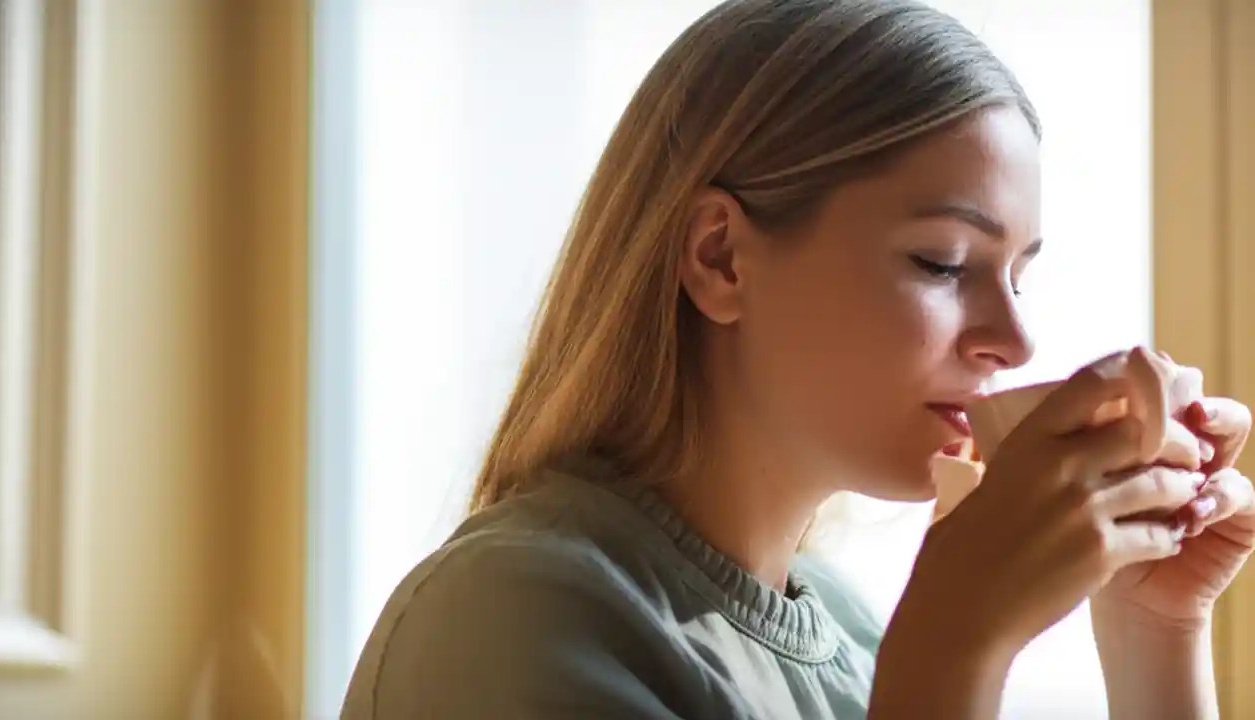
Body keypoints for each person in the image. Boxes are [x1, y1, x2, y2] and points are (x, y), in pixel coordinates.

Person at [340, 0, 1254, 717]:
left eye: (1017, 275)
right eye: (942, 262)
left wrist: (1154, 639)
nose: (1014, 342)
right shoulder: (514, 619)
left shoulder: (850, 635)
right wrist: (955, 647)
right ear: (720, 258)